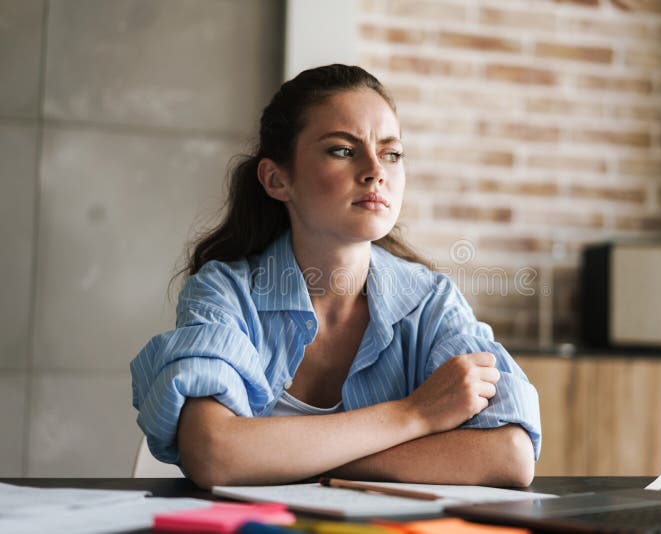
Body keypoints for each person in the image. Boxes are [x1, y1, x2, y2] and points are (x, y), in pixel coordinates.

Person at [130, 64, 541, 489]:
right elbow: (215, 453)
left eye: (391, 153)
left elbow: (508, 455)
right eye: (343, 150)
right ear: (277, 179)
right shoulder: (225, 291)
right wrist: (415, 414)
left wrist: (289, 461)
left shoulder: (431, 301)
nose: (375, 171)